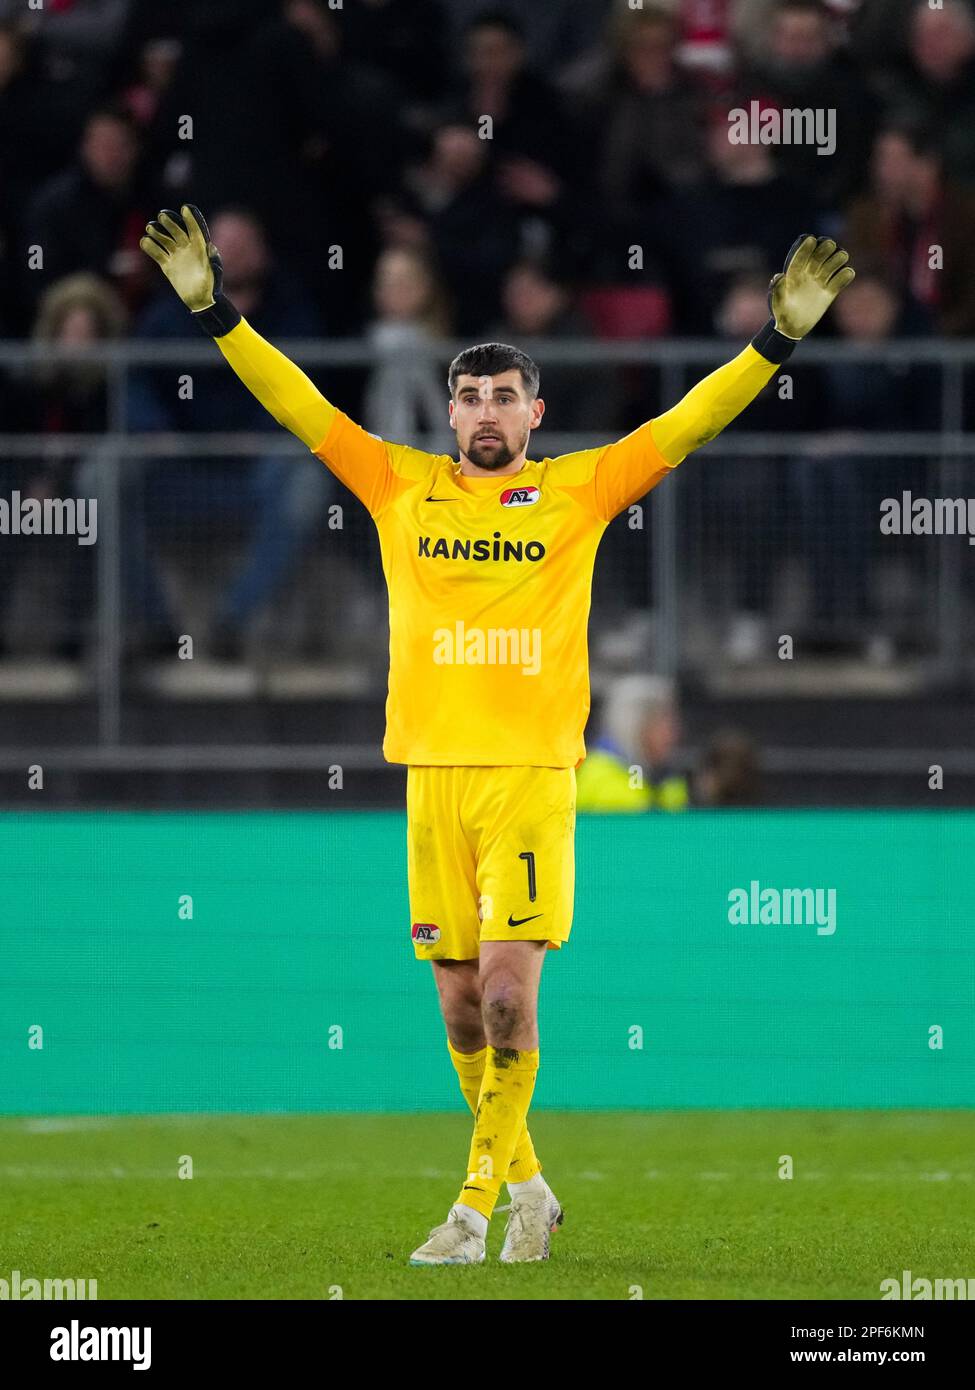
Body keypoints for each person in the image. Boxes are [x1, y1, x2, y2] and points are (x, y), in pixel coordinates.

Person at [140, 204, 855, 1264]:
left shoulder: (577, 491)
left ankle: (468, 1213)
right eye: (469, 394)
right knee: (466, 1013)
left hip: (528, 777)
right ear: (448, 408)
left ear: (534, 411)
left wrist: (776, 340)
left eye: (504, 396)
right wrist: (212, 310)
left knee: (514, 993)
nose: (485, 410)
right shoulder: (398, 484)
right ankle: (531, 1187)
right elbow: (299, 405)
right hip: (431, 777)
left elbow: (691, 423)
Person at [575, 675, 689, 812]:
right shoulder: (600, 775)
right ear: (636, 726)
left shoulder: (668, 780)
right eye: (662, 724)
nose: (672, 735)